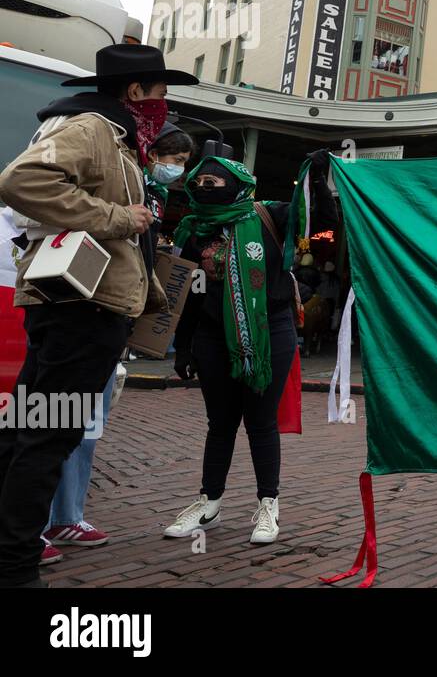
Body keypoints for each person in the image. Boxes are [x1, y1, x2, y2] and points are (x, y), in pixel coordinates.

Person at [0, 44, 198, 587]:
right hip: (81, 312)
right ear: (134, 92)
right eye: (159, 94)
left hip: (77, 307)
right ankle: (15, 567)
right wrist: (116, 216)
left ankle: (9, 550)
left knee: (26, 429)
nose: (163, 106)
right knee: (49, 435)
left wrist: (150, 292)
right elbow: (21, 182)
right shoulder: (92, 128)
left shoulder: (115, 138)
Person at [41, 123, 196, 563]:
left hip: (112, 320)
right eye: (172, 158)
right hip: (77, 314)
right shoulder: (100, 178)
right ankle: (26, 526)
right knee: (49, 424)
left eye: (182, 163)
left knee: (85, 427)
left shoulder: (149, 198)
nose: (175, 169)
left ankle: (66, 515)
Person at [163, 156, 300, 545]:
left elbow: (315, 213)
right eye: (200, 180)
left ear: (236, 183)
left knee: (261, 423)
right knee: (219, 424)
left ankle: (268, 505)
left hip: (267, 333)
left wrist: (318, 179)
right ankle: (209, 504)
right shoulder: (193, 229)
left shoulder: (270, 214)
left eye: (215, 180)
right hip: (211, 337)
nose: (207, 186)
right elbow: (188, 291)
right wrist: (183, 346)